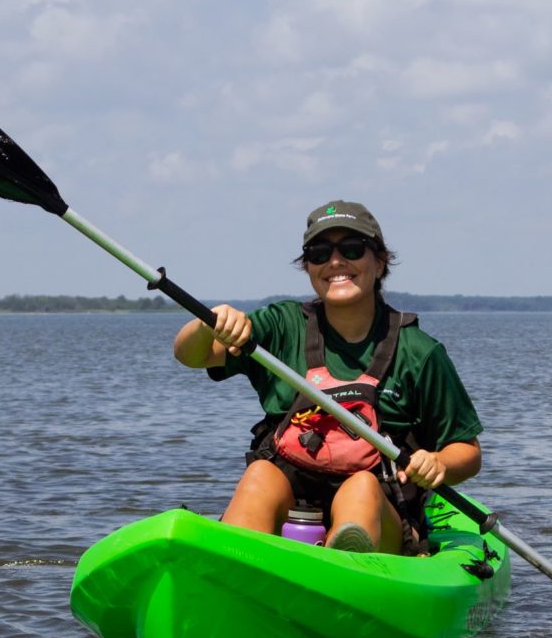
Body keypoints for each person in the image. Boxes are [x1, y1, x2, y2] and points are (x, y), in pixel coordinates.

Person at [172, 200, 483, 554]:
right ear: (308, 266)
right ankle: (234, 566)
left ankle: (344, 564)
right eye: (319, 253)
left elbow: (468, 452)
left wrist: (439, 462)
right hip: (291, 499)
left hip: (381, 508)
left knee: (361, 488)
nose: (335, 262)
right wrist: (207, 324)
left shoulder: (419, 351)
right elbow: (191, 355)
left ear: (379, 262)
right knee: (260, 475)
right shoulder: (281, 325)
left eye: (352, 249)